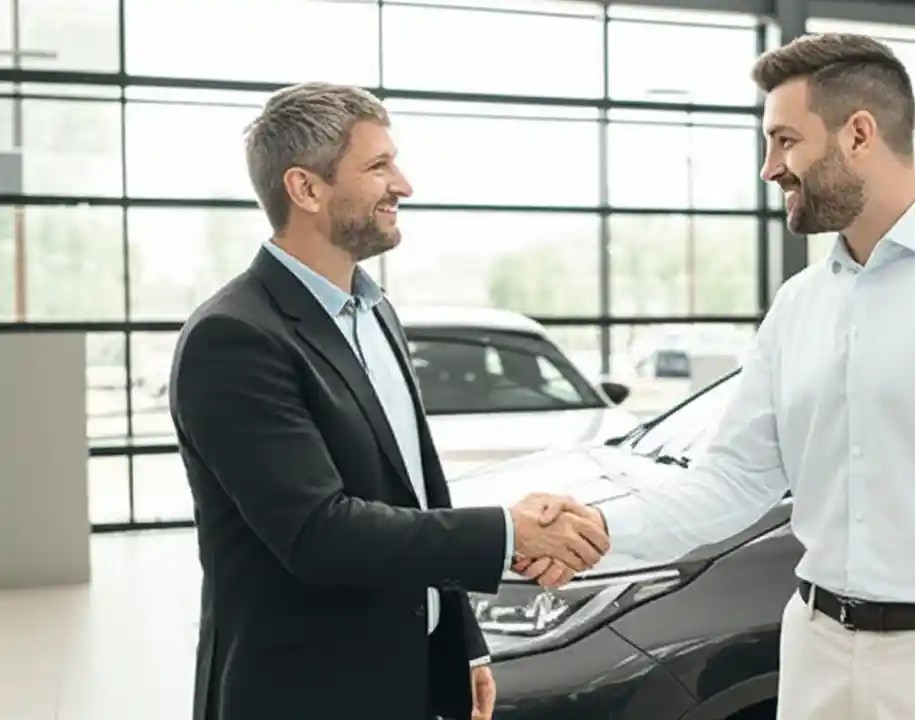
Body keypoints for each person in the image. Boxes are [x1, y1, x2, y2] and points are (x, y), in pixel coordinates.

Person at [519, 33, 915, 720]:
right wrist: (593, 527)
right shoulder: (800, 303)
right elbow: (733, 480)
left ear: (859, 134)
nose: (769, 168)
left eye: (784, 141)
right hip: (815, 655)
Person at [168, 82, 609, 720]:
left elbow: (417, 494)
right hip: (299, 692)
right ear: (306, 189)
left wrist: (464, 643)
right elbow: (319, 533)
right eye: (378, 166)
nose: (403, 184)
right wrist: (510, 531)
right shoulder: (233, 337)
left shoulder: (374, 312)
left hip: (404, 669)